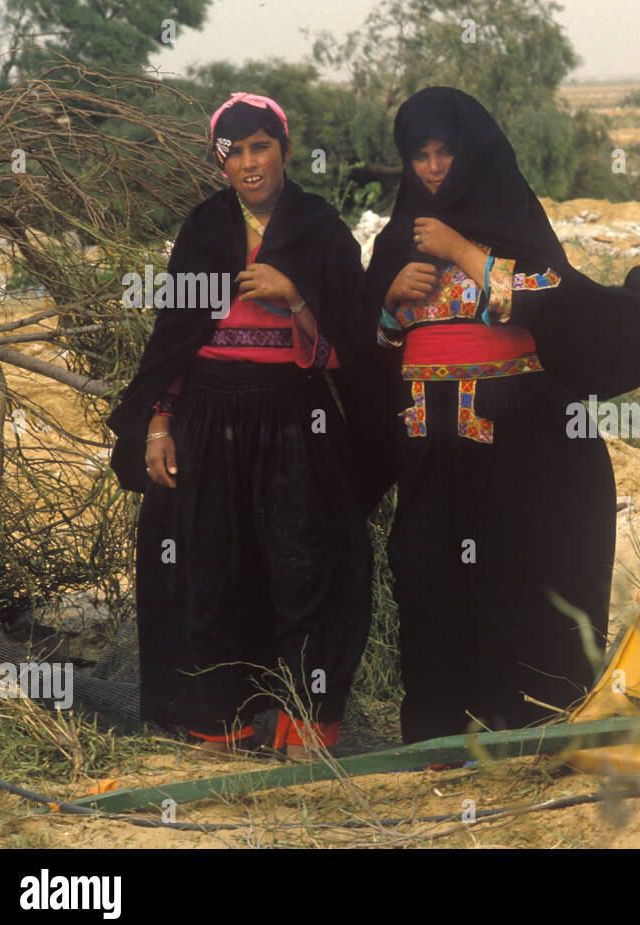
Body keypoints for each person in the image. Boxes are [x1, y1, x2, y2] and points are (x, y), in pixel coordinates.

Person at [365, 87, 640, 743]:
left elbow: (556, 300)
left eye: (444, 151)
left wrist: (463, 252)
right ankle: (436, 735)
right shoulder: (397, 237)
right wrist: (390, 300)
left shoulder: (510, 216)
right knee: (426, 576)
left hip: (516, 437)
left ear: (470, 152)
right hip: (429, 438)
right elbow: (368, 341)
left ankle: (528, 728)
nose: (431, 167)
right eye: (418, 154)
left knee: (514, 576)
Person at [107, 93, 380, 759]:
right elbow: (173, 341)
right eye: (234, 151)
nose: (249, 162)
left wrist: (296, 299)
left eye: (261, 146)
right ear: (220, 161)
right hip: (208, 416)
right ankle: (218, 725)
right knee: (211, 566)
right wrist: (158, 425)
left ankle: (307, 726)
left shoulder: (320, 228)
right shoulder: (203, 229)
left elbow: (352, 350)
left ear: (284, 151)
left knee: (306, 563)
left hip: (296, 414)